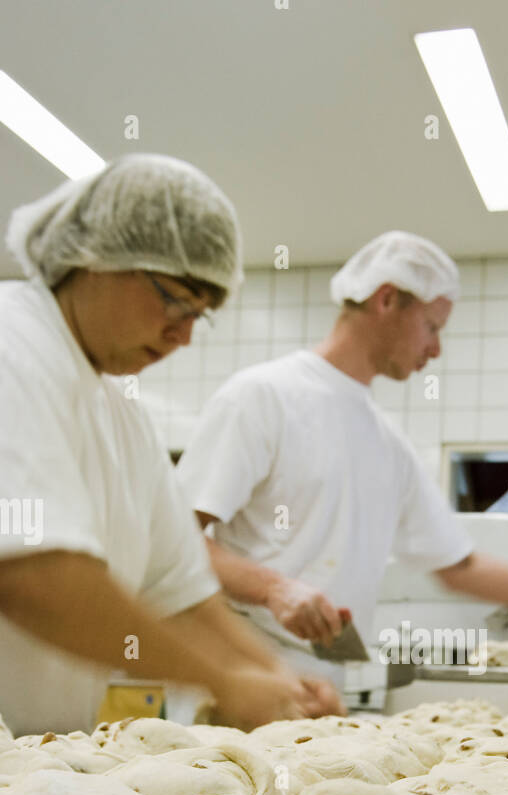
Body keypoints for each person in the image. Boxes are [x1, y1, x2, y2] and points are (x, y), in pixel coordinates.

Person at [177, 231, 508, 687]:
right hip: (236, 669)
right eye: (431, 326)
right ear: (386, 298)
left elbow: (461, 568)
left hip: (322, 684)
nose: (435, 349)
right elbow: (173, 537)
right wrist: (273, 589)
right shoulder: (263, 397)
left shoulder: (388, 444)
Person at [0, 154, 341, 737]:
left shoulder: (121, 410)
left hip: (30, 765)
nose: (184, 335)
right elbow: (36, 575)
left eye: (199, 316)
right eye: (175, 299)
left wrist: (277, 678)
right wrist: (223, 680)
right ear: (95, 258)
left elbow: (181, 592)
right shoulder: (14, 344)